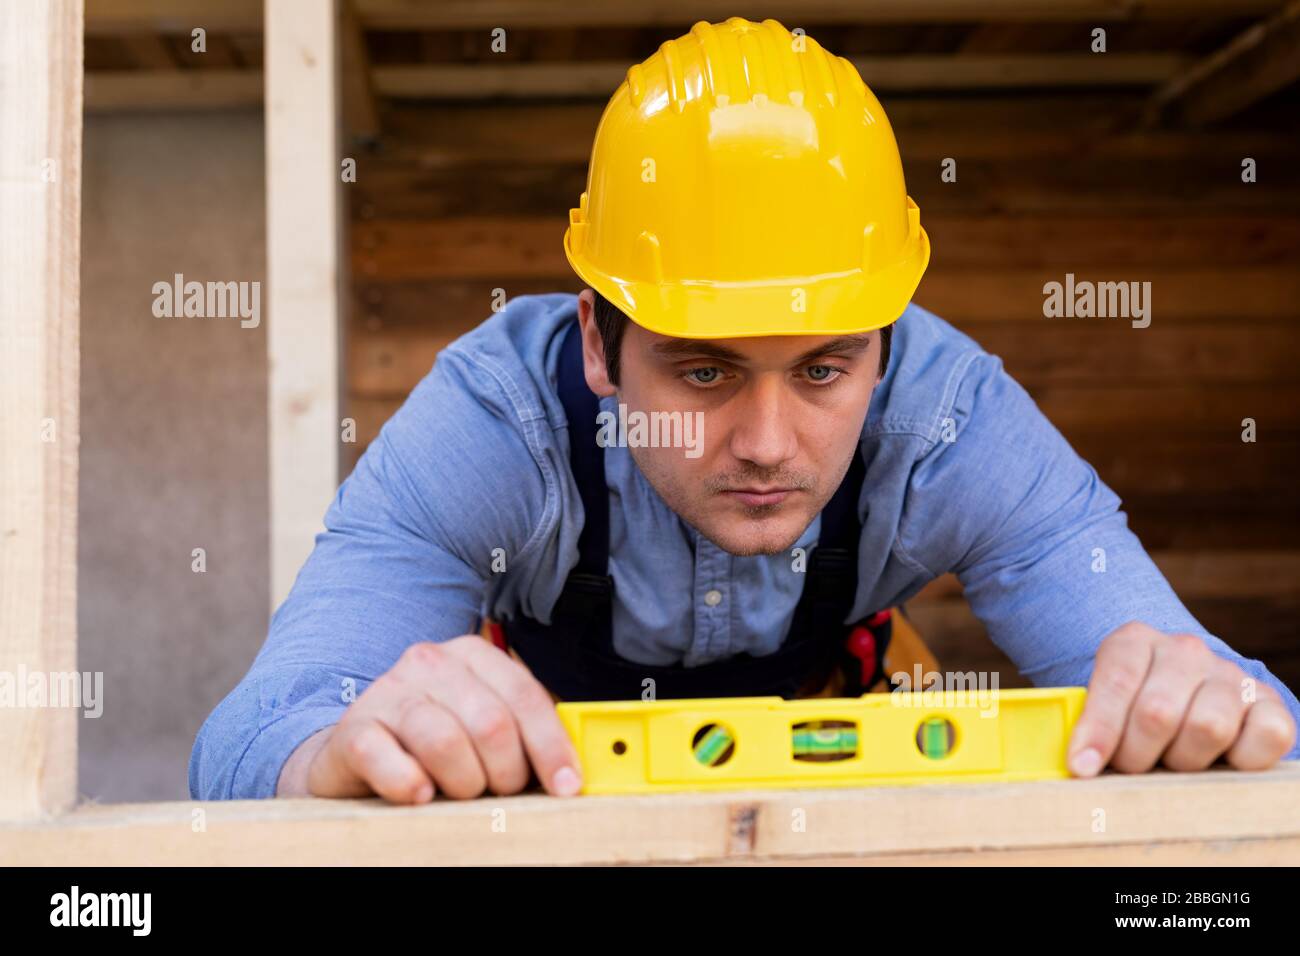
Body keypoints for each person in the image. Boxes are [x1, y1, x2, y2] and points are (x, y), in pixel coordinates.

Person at [190, 17, 1298, 804]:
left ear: (886, 342)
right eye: (706, 371)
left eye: (823, 370)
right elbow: (249, 740)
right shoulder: (496, 423)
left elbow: (1236, 709)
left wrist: (1213, 706)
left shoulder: (953, 417)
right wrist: (338, 750)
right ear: (597, 345)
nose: (769, 446)